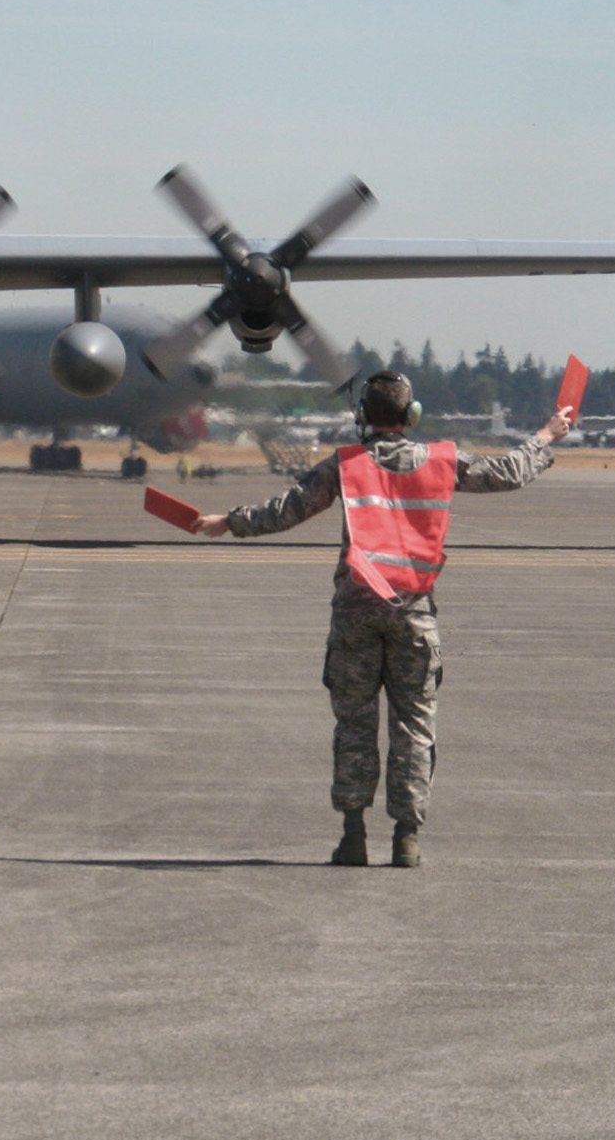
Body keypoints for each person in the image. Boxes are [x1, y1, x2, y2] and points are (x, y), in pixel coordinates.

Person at [189, 372, 572, 868]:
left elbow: (288, 509)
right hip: (414, 614)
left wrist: (230, 521)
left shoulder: (345, 466)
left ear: (364, 417)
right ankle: (407, 839)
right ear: (411, 418)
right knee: (413, 727)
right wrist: (546, 435)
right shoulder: (442, 461)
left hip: (355, 615)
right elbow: (508, 472)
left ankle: (352, 837)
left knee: (355, 724)